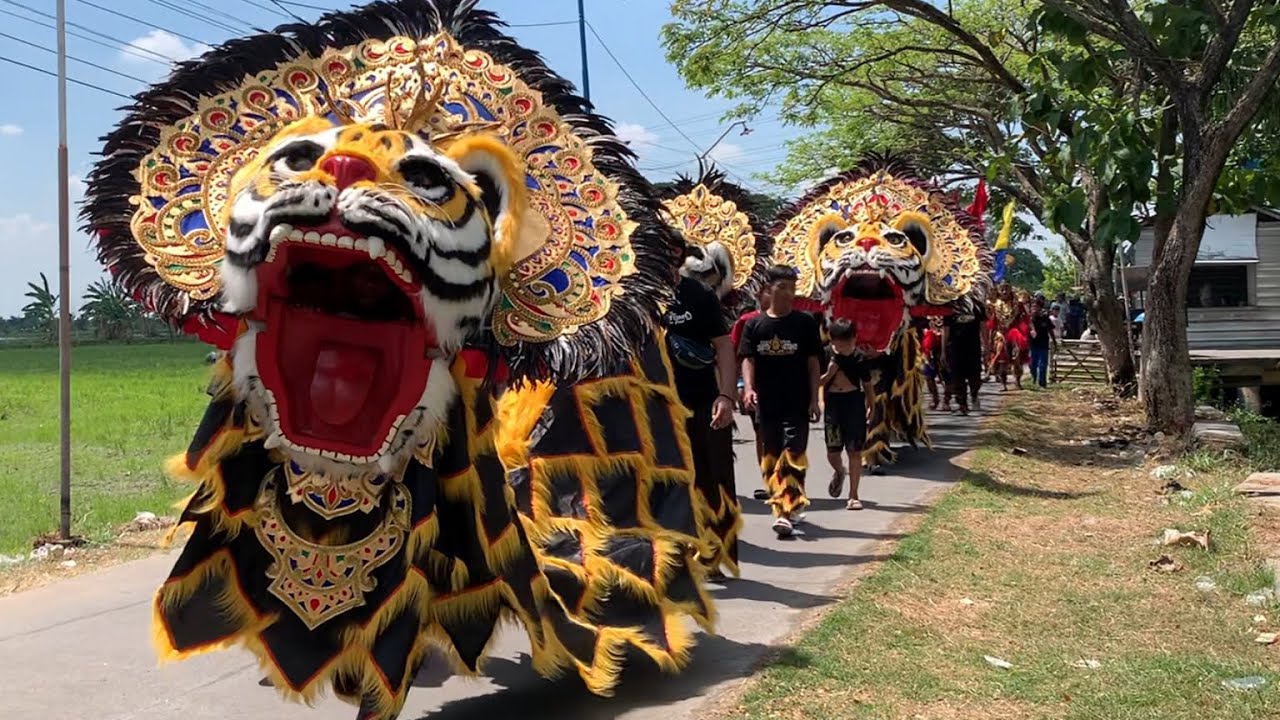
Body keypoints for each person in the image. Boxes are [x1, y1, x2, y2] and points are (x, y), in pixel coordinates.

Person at [665, 247, 740, 580]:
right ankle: (669, 559)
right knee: (665, 482)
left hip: (700, 401)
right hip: (651, 407)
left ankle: (713, 553)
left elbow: (723, 345)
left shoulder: (697, 294)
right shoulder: (632, 293)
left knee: (709, 476)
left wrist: (726, 395)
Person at [741, 265, 823, 538]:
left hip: (797, 402)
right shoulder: (754, 325)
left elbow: (813, 364)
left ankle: (785, 513)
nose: (790, 293)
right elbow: (748, 359)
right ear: (769, 288)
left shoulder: (805, 323)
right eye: (784, 287)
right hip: (768, 404)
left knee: (793, 454)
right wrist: (749, 389)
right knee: (773, 456)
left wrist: (815, 399)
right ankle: (788, 503)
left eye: (793, 287)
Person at [820, 318, 876, 510]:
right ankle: (839, 471)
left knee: (855, 451)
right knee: (832, 451)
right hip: (833, 404)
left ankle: (853, 495)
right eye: (840, 345)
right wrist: (828, 374)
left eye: (848, 344)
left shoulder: (859, 357)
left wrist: (872, 405)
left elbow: (868, 385)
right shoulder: (826, 354)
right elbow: (816, 383)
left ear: (855, 339)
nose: (844, 348)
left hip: (853, 403)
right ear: (831, 340)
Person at [732, 285, 773, 500]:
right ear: (760, 295)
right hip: (755, 388)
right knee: (762, 434)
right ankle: (768, 480)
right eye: (770, 290)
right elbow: (737, 354)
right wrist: (739, 385)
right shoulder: (746, 321)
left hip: (786, 388)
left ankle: (786, 480)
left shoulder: (797, 320)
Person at [945, 306, 985, 415]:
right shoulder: (950, 306)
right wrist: (944, 350)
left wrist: (987, 346)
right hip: (955, 347)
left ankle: (974, 394)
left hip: (973, 346)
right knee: (957, 377)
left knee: (974, 376)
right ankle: (962, 405)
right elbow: (946, 329)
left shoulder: (977, 306)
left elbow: (983, 327)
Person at [921, 318, 951, 411]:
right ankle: (935, 399)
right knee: (929, 377)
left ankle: (946, 401)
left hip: (944, 350)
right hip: (930, 352)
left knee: (947, 378)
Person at [1028, 294, 1056, 388]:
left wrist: (1054, 341)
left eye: (1036, 307)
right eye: (1033, 306)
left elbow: (1050, 330)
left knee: (1042, 365)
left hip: (1043, 344)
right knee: (1032, 364)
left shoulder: (1045, 318)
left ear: (1040, 307)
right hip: (1032, 345)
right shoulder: (1029, 319)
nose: (1034, 308)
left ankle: (1042, 383)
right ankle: (1034, 378)